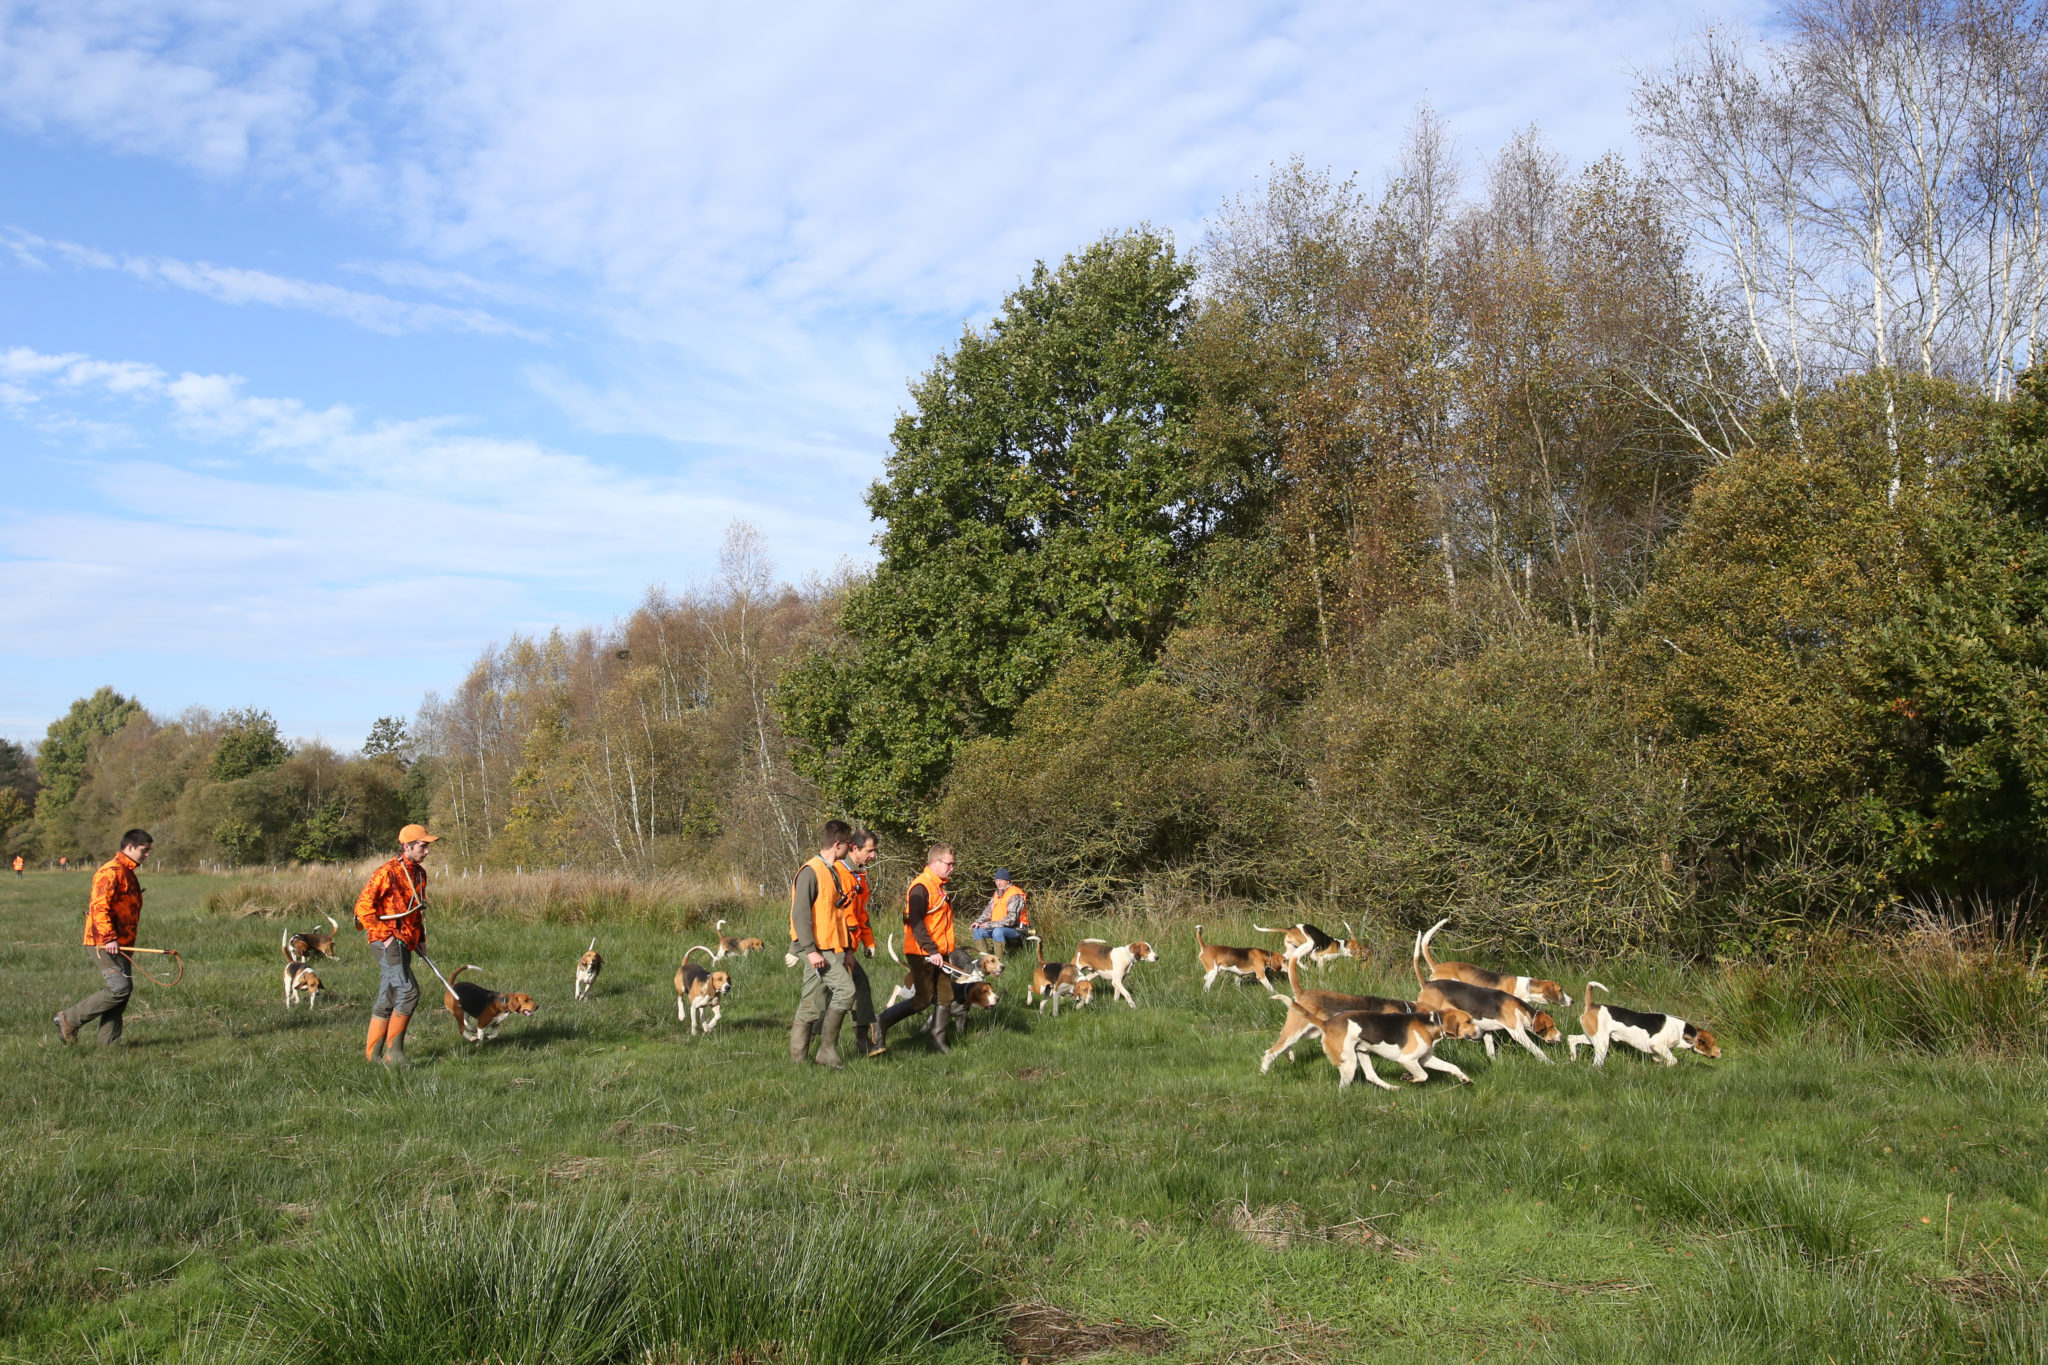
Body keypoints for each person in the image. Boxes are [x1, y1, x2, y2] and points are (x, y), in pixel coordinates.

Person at [54, 829, 152, 1045]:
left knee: (123, 992)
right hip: (103, 942)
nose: (146, 855)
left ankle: (108, 1045)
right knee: (120, 988)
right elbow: (99, 908)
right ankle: (68, 1019)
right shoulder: (110, 872)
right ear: (129, 847)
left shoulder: (128, 873)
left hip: (122, 944)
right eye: (143, 851)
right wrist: (109, 938)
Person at [354, 823, 436, 1068]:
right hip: (386, 942)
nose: (427, 851)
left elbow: (415, 910)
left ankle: (372, 1057)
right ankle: (394, 1055)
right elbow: (362, 909)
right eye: (423, 846)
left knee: (389, 995)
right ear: (407, 846)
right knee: (408, 992)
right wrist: (386, 936)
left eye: (428, 846)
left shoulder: (419, 873)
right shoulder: (386, 872)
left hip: (407, 941)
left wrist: (420, 938)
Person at [874, 844, 959, 1053]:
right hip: (923, 953)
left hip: (939, 953)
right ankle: (882, 1021)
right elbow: (916, 922)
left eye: (953, 864)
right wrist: (932, 950)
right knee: (923, 1000)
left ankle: (938, 1041)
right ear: (936, 863)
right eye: (949, 864)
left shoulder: (938, 886)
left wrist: (941, 952)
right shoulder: (921, 887)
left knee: (946, 996)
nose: (952, 868)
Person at [788, 819, 858, 1069]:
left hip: (832, 948)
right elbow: (800, 914)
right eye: (848, 844)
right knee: (846, 991)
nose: (851, 849)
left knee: (811, 1003)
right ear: (837, 844)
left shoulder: (832, 870)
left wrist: (847, 949)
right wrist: (810, 950)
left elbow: (838, 913)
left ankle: (798, 1063)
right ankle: (826, 1051)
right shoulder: (811, 871)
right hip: (819, 950)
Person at [837, 830, 887, 1058]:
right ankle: (810, 1047)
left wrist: (868, 941)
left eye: (875, 850)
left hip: (849, 948)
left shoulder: (859, 876)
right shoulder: (836, 873)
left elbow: (861, 914)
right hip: (833, 948)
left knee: (860, 988)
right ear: (854, 848)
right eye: (870, 850)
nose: (874, 856)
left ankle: (863, 1042)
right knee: (832, 997)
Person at [971, 869, 1030, 952]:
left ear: (1008, 881)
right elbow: (988, 911)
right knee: (977, 930)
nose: (998, 883)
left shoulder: (1015, 894)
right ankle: (985, 960)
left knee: (997, 932)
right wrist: (978, 922)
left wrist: (991, 925)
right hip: (998, 926)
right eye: (996, 881)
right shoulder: (997, 893)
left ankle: (999, 962)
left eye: (1001, 880)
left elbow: (1011, 920)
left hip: (1016, 928)